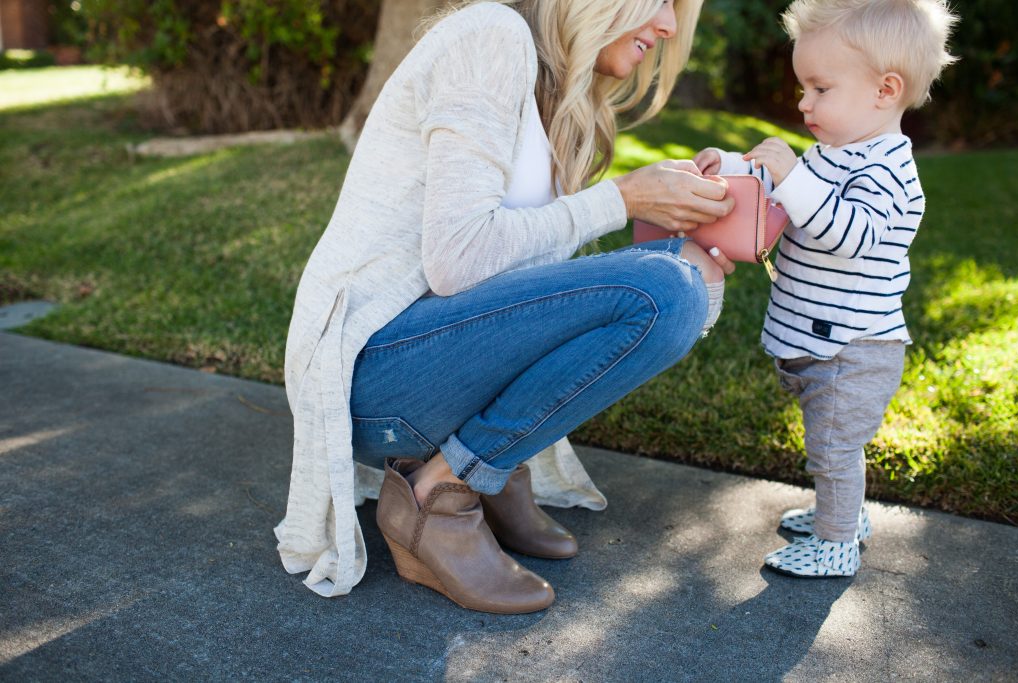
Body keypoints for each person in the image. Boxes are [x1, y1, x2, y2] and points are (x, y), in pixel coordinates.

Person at [275, 0, 739, 612]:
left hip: (423, 369)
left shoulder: (564, 96)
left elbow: (527, 293)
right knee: (667, 292)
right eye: (661, 2)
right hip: (368, 376)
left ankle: (487, 469)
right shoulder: (489, 35)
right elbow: (457, 260)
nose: (671, 27)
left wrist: (670, 233)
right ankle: (439, 494)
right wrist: (622, 199)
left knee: (682, 280)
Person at [694, 0, 957, 577]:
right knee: (831, 447)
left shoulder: (887, 169)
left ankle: (837, 543)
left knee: (834, 450)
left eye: (819, 88)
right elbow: (777, 187)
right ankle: (842, 516)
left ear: (885, 90)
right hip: (819, 339)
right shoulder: (832, 155)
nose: (803, 102)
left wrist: (794, 177)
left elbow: (852, 234)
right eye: (803, 88)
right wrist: (732, 164)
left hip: (852, 348)